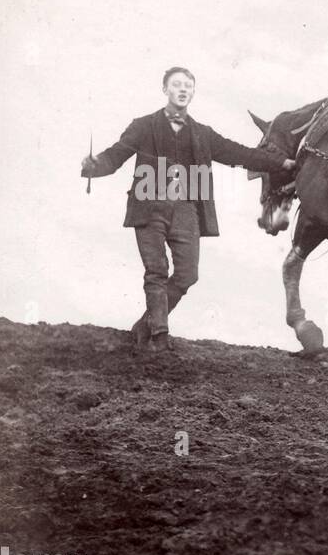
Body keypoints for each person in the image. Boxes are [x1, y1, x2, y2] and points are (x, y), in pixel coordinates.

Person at [80, 67, 296, 351]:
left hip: (186, 210)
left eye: (188, 86)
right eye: (177, 85)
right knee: (156, 270)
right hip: (148, 206)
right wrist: (94, 167)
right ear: (165, 90)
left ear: (192, 93)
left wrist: (281, 163)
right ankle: (159, 337)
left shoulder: (203, 134)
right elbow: (116, 155)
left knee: (187, 275)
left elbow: (239, 153)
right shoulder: (143, 126)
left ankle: (145, 327)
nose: (183, 90)